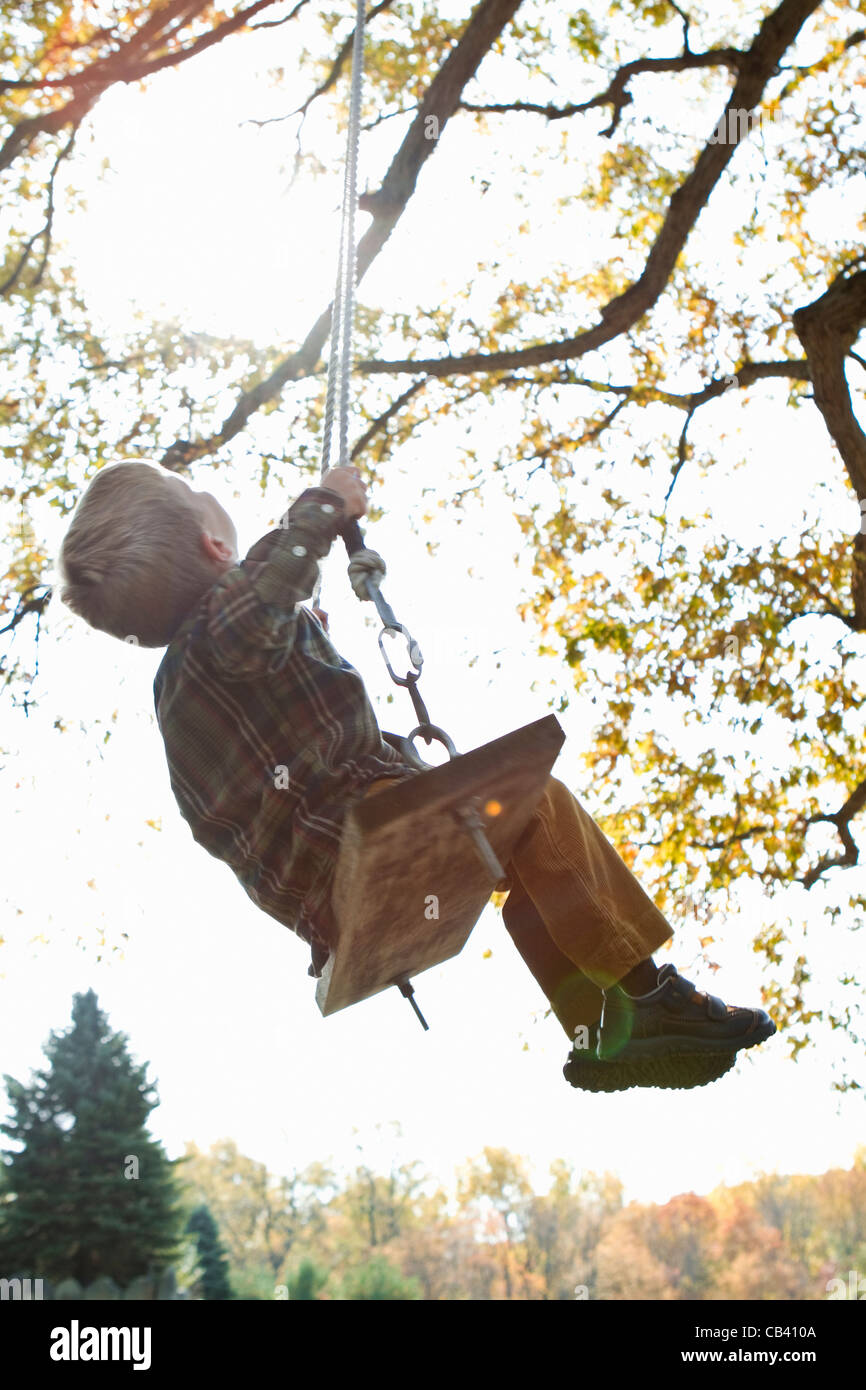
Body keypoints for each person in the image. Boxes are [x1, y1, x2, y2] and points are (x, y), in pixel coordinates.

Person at [57, 460, 775, 1092]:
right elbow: (268, 589)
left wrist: (310, 641)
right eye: (194, 493)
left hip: (331, 907)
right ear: (218, 549)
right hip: (359, 840)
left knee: (523, 858)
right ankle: (644, 997)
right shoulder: (224, 630)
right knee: (536, 804)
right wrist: (325, 505)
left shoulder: (181, 692)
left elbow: (263, 742)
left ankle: (603, 1036)